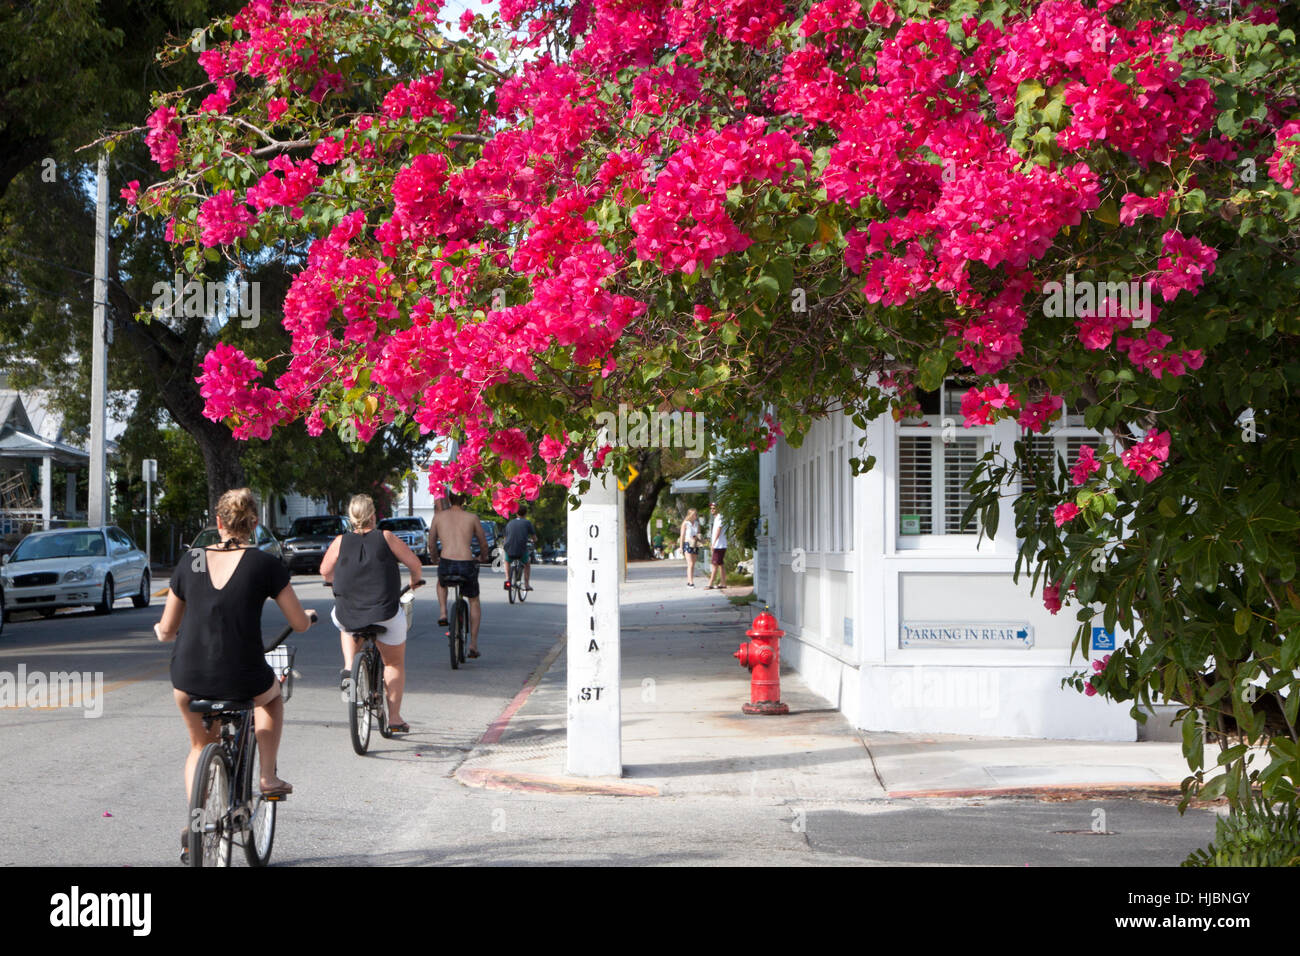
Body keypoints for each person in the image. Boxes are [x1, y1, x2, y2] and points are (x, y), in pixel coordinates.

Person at [155, 488, 316, 861]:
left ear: (218, 523)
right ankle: (267, 777)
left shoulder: (192, 560)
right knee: (272, 697)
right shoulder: (264, 564)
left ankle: (196, 816)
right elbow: (298, 622)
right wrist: (305, 619)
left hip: (188, 674)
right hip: (242, 673)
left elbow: (167, 629)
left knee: (199, 745)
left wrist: (160, 632)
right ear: (254, 524)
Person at [320, 494, 424, 733]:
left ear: (351, 517)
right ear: (373, 515)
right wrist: (415, 581)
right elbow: (415, 565)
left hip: (351, 611)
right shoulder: (386, 537)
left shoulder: (340, 541)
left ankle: (349, 667)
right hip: (385, 611)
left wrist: (338, 581)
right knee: (394, 663)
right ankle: (395, 718)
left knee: (344, 622)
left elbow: (325, 571)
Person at [432, 491, 490, 658]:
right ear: (465, 499)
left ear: (449, 499)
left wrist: (436, 559)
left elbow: (431, 542)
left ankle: (443, 612)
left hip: (446, 561)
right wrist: (482, 557)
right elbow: (483, 542)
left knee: (441, 583)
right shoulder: (472, 518)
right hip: (466, 562)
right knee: (473, 600)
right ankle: (473, 644)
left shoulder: (439, 517)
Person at [502, 504, 538, 591]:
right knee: (527, 564)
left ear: (516, 513)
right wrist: (534, 540)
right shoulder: (527, 523)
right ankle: (526, 584)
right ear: (525, 514)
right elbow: (534, 538)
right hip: (521, 549)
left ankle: (507, 579)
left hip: (509, 548)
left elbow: (505, 538)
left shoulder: (510, 523)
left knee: (507, 561)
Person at [706, 501, 728, 590]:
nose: (712, 510)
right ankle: (723, 583)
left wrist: (713, 543)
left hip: (719, 545)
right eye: (711, 508)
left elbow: (718, 530)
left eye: (714, 508)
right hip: (720, 545)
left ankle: (710, 584)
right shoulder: (717, 518)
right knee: (720, 564)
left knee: (714, 564)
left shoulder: (720, 517)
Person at [680, 508, 700, 587]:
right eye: (693, 514)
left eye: (696, 514)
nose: (695, 516)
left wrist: (698, 538)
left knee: (693, 564)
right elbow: (682, 535)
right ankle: (691, 582)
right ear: (690, 515)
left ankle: (689, 580)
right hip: (687, 543)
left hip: (695, 544)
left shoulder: (697, 524)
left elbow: (698, 533)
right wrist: (681, 547)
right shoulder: (685, 523)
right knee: (690, 563)